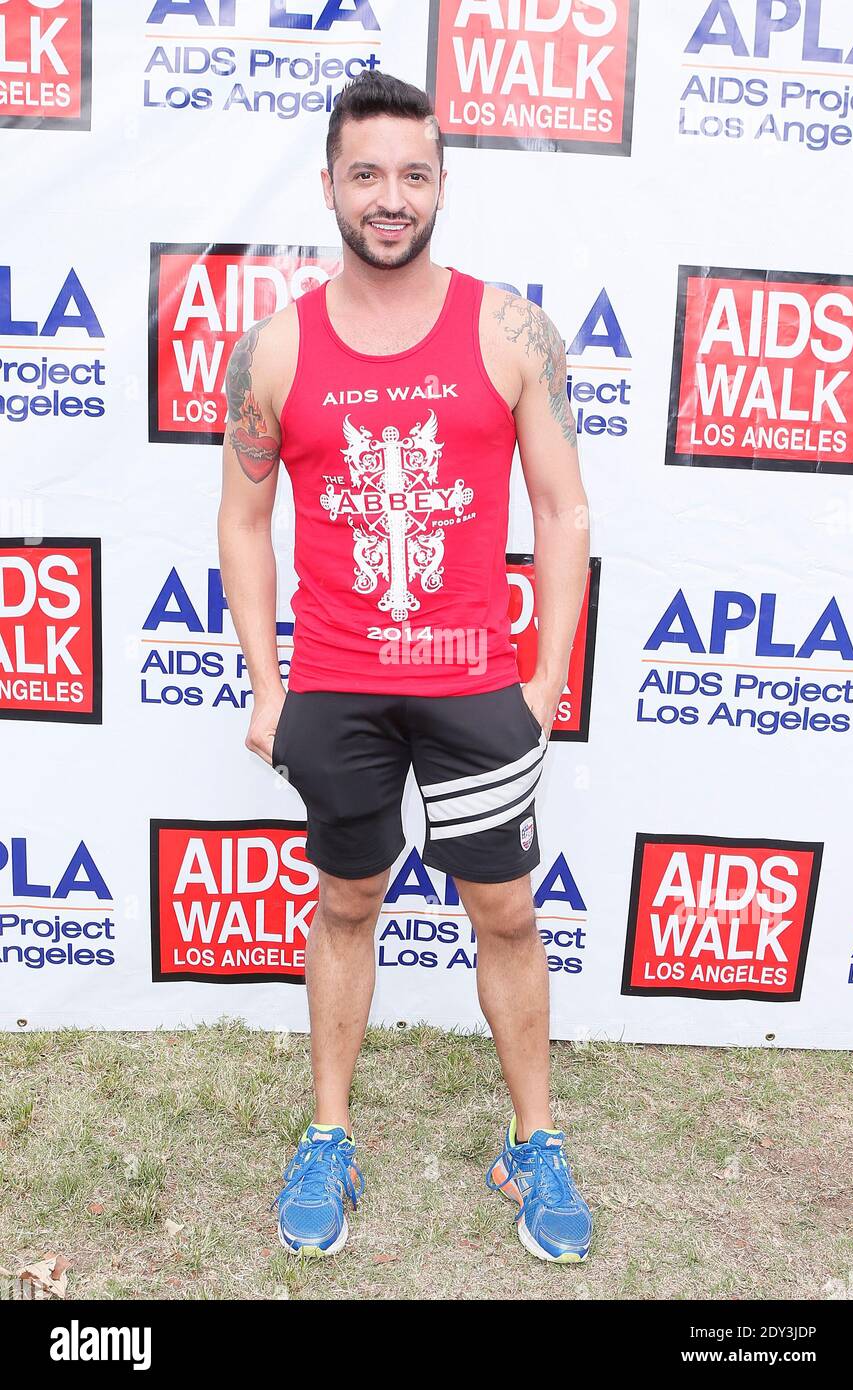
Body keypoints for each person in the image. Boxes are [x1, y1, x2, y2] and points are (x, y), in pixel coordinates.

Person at [217, 70, 592, 1265]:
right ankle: (329, 1132)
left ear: (441, 185)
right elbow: (241, 519)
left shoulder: (510, 329)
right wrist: (268, 692)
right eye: (366, 174)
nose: (390, 198)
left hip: (476, 684)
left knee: (508, 913)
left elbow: (563, 511)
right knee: (344, 902)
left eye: (413, 175)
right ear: (328, 183)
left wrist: (538, 686)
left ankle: (533, 1140)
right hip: (336, 688)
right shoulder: (273, 347)